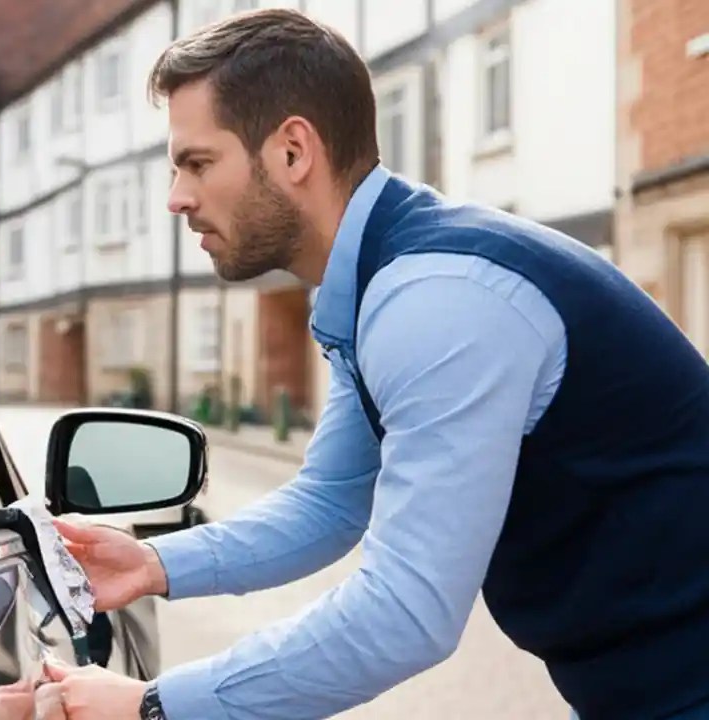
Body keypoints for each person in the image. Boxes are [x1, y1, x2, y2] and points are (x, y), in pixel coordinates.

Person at [40, 8, 709, 720]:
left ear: (293, 151)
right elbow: (331, 501)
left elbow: (407, 612)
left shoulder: (436, 303)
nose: (176, 197)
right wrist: (152, 564)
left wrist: (155, 706)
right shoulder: (380, 284)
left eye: (197, 163)